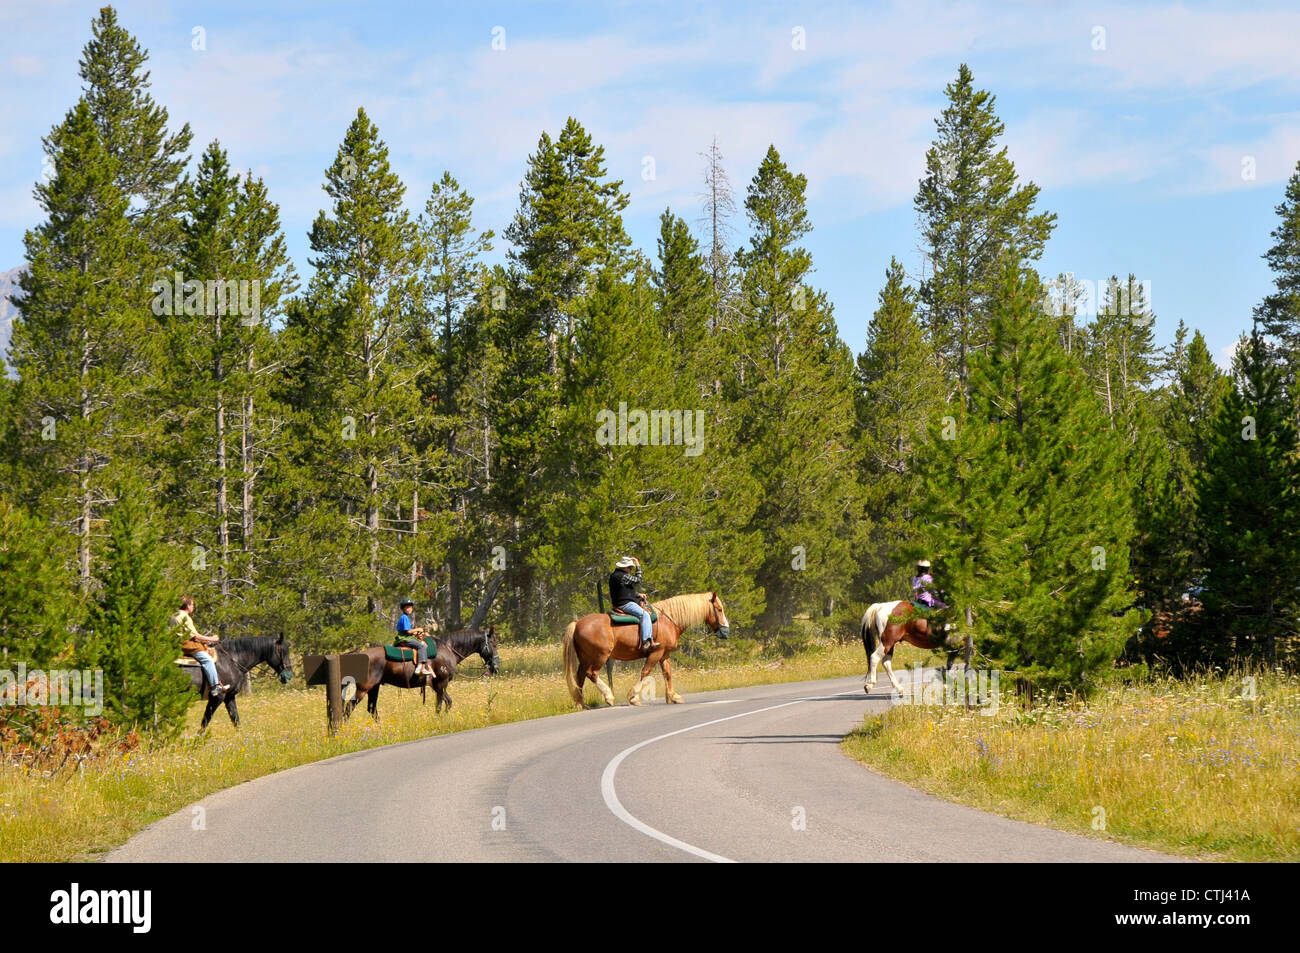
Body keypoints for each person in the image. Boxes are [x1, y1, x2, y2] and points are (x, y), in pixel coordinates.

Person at [173, 597, 229, 698]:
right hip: (185, 644)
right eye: (192, 605)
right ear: (188, 606)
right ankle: (214, 687)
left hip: (174, 643)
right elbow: (195, 635)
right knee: (208, 660)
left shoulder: (174, 615)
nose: (193, 607)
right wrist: (211, 638)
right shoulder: (184, 616)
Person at [609, 556, 659, 653]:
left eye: (632, 568)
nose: (631, 569)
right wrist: (638, 565)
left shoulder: (616, 575)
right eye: (630, 568)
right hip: (625, 604)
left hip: (622, 601)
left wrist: (638, 595)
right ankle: (646, 642)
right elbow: (638, 580)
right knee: (645, 615)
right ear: (625, 567)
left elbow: (623, 590)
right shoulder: (623, 576)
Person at [396, 600, 435, 676]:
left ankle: (423, 667)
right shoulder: (404, 617)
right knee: (422, 646)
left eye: (410, 607)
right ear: (403, 609)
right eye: (407, 607)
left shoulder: (405, 617)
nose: (409, 609)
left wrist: (419, 633)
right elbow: (408, 632)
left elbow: (410, 632)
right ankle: (420, 667)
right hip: (405, 639)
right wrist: (418, 629)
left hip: (407, 637)